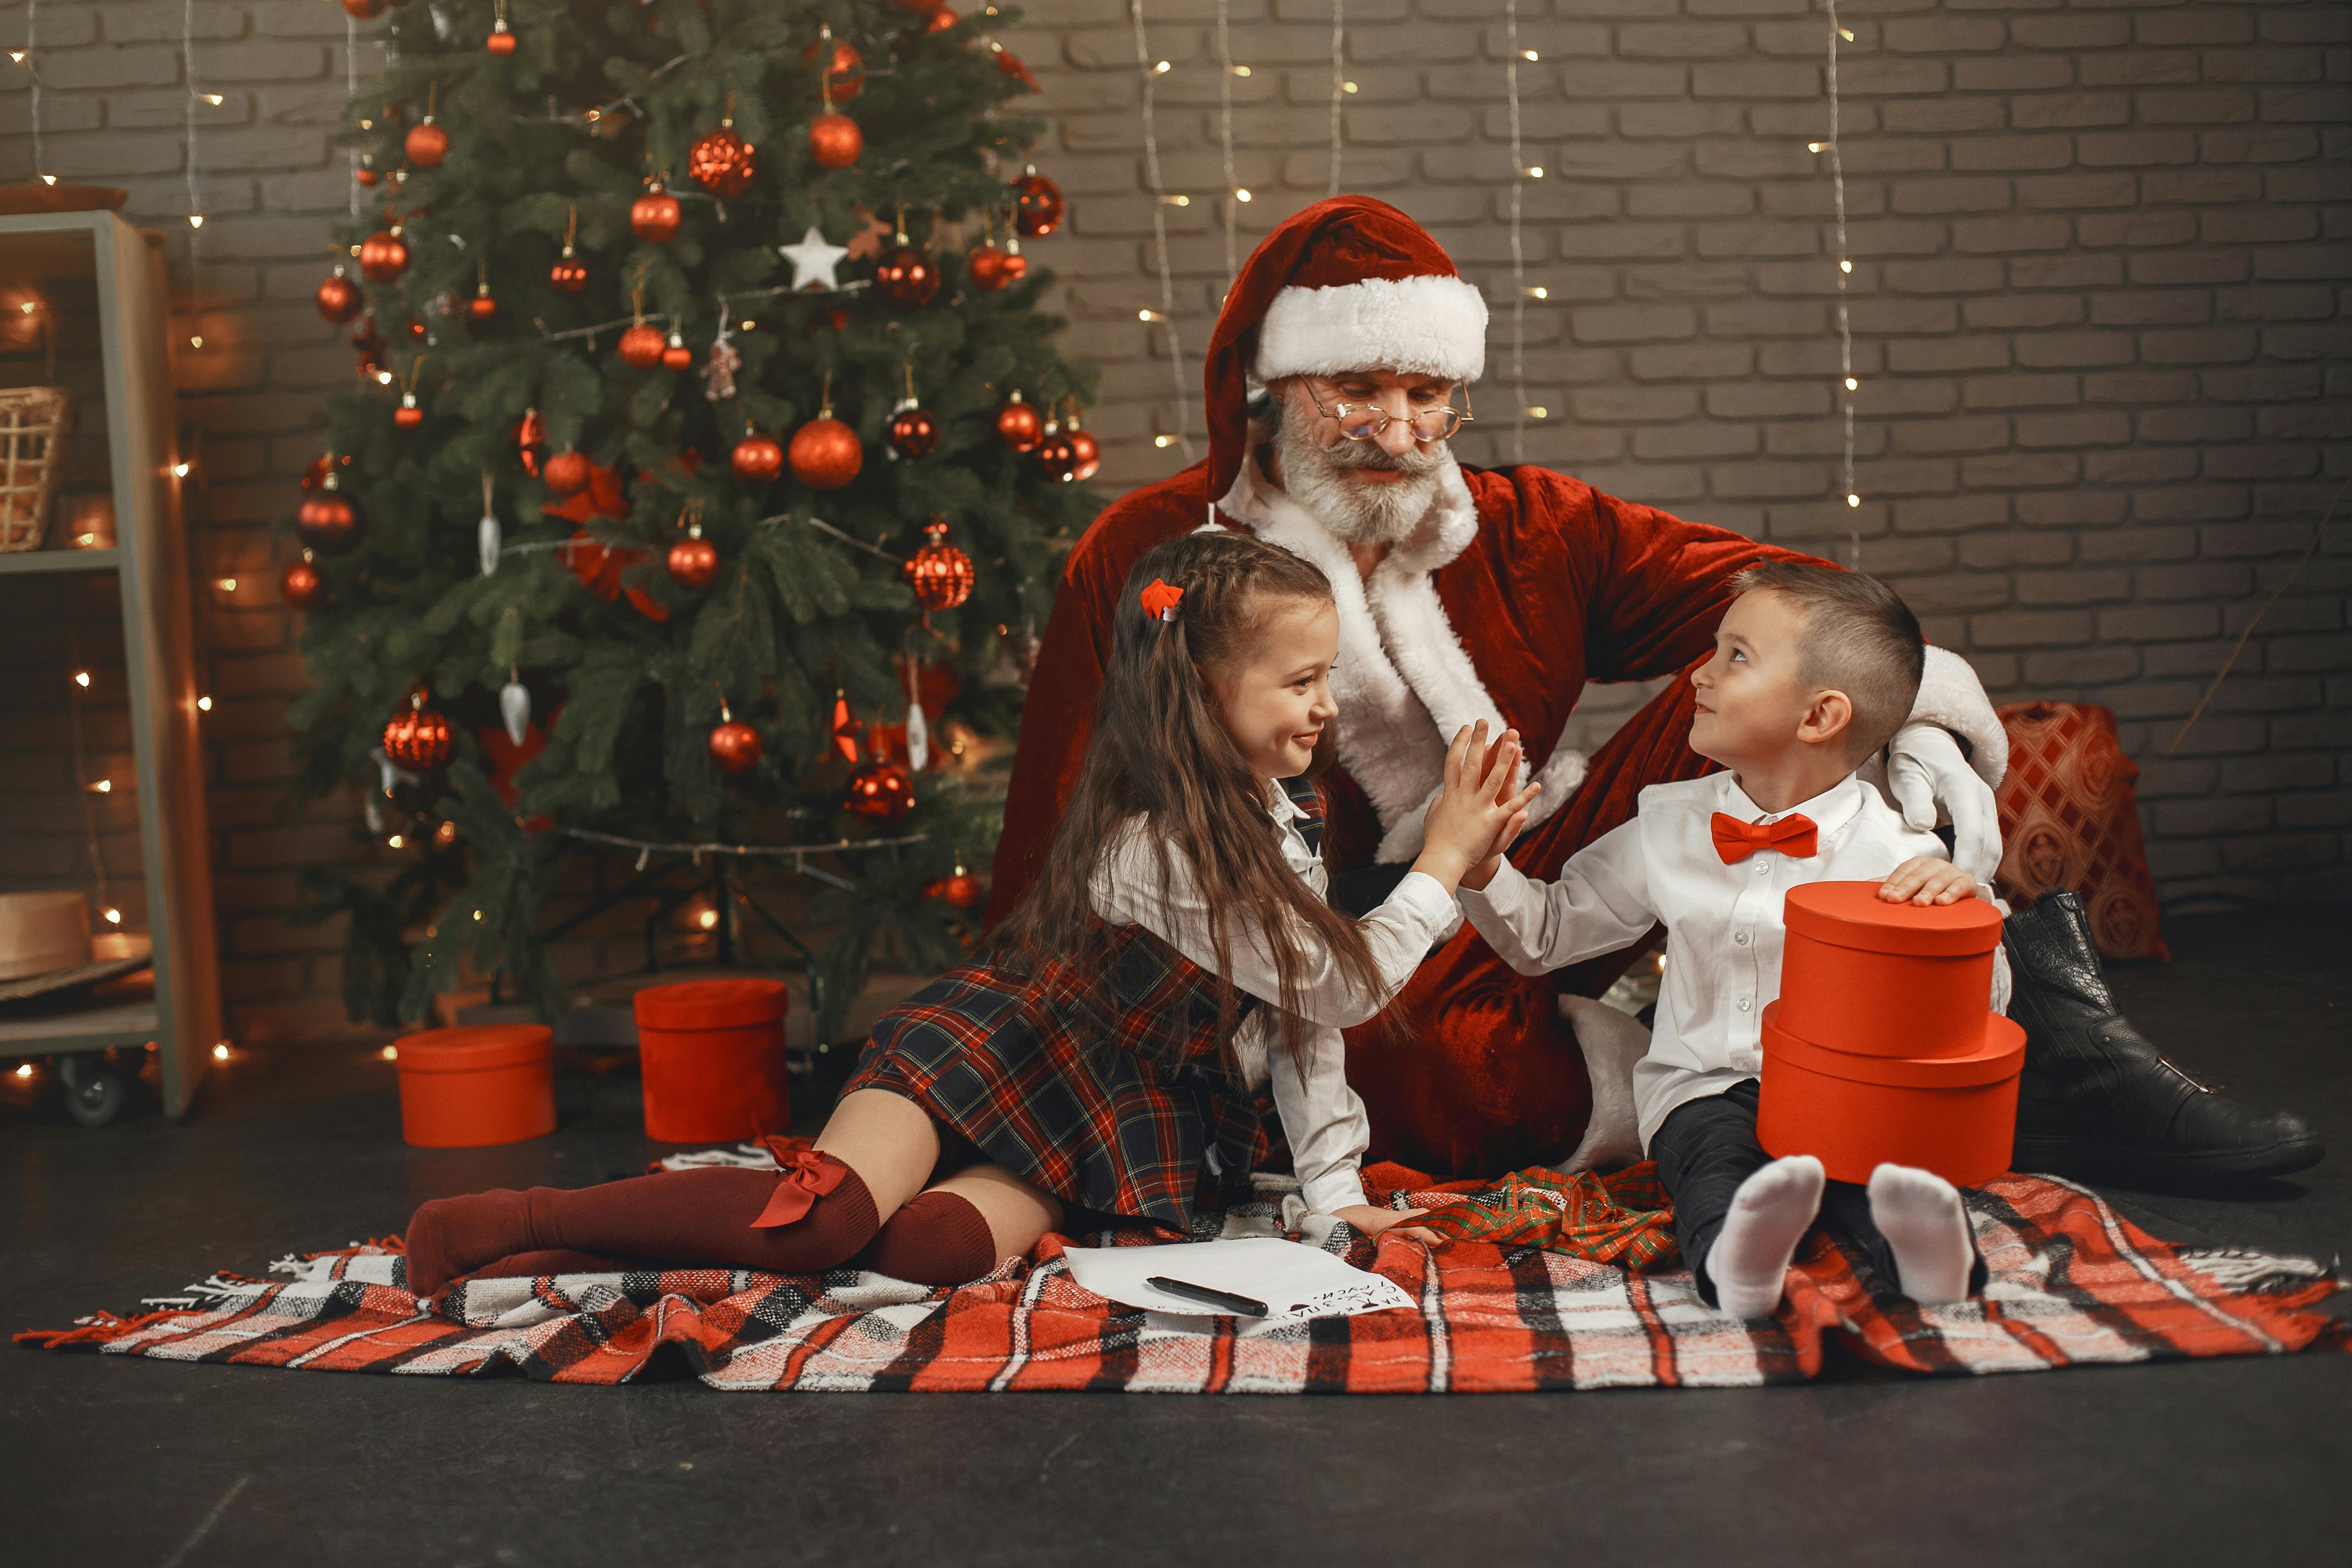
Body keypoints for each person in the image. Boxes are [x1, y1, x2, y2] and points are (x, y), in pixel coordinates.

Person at [994, 192, 2320, 1190]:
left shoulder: (1529, 528)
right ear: (1271, 389)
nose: (1399, 434)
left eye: (1428, 394)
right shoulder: (1161, 554)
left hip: (1525, 888)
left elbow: (1795, 596)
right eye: (1356, 390)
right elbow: (1075, 815)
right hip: (1308, 957)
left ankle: (2034, 1033)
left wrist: (1886, 724)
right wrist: (1082, 1072)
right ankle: (1756, 1089)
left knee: (1777, 667)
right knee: (1423, 1077)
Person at [403, 532, 1465, 1297]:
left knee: (933, 1252)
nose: (1328, 707)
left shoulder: (1287, 822)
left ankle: (566, 1263)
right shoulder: (1162, 843)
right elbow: (1343, 982)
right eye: (1301, 681)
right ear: (1197, 689)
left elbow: (1301, 1018)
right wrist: (1445, 864)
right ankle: (516, 1221)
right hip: (1002, 1048)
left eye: (1326, 677)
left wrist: (1332, 1191)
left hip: (1109, 1107)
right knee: (826, 1221)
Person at [1421, 564, 1998, 1315]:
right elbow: (1548, 935)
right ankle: (1738, 1262)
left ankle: (1932, 1258)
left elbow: (1975, 1008)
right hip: (1703, 1088)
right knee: (1713, 1166)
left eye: (1736, 656)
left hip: (1847, 1097)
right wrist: (1484, 863)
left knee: (1876, 1169)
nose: (1698, 674)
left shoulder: (1899, 854)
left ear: (1820, 716)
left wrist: (1961, 915)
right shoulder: (1669, 825)